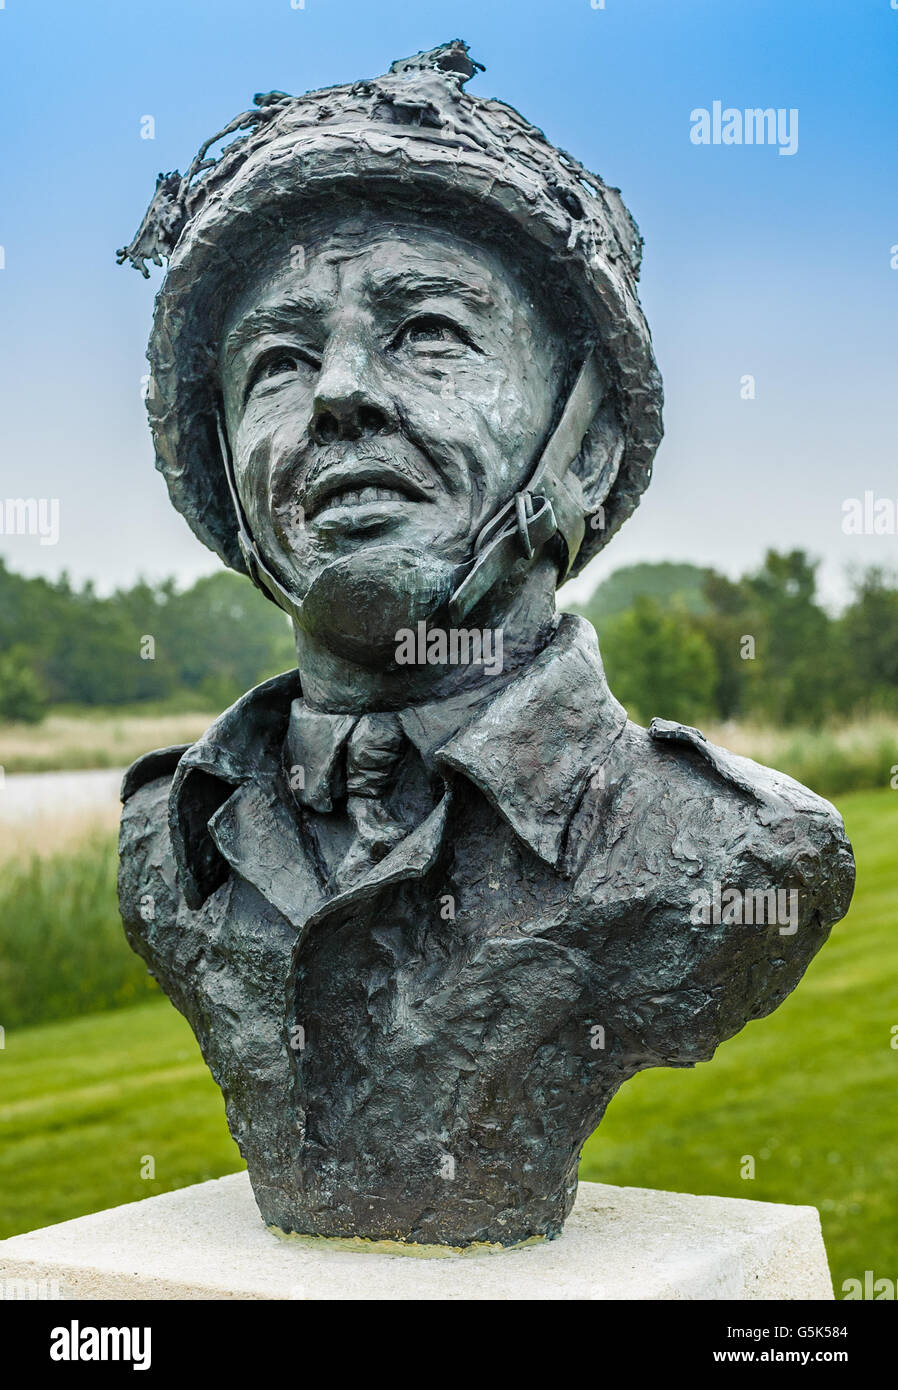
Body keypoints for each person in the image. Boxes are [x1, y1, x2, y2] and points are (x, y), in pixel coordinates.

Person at [117, 42, 854, 1247]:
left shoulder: (738, 850)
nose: (338, 395)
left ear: (588, 450)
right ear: (227, 482)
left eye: (428, 333)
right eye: (280, 360)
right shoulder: (168, 838)